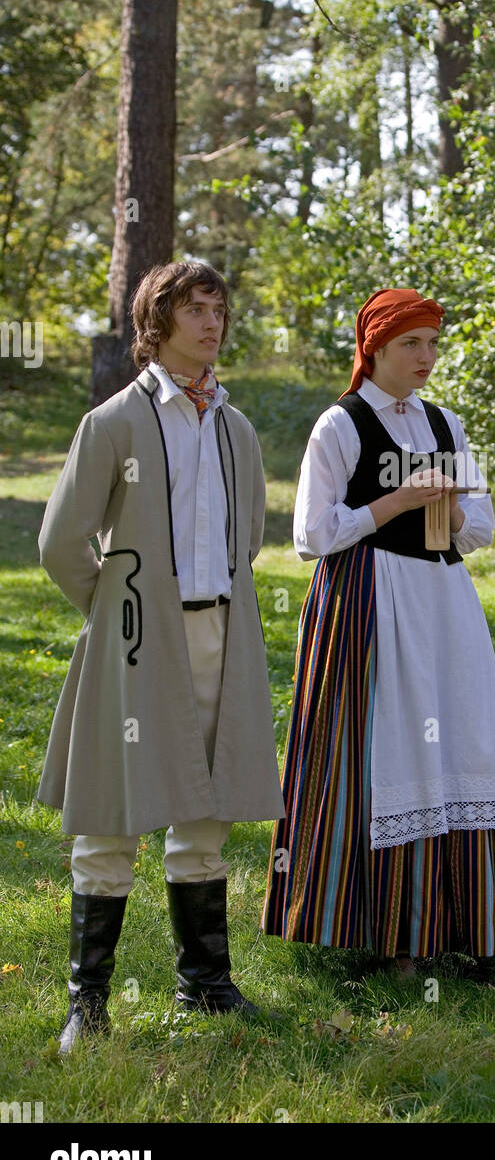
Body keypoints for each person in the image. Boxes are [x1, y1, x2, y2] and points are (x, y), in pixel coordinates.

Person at [262, 288, 495, 971]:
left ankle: (490, 927)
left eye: (431, 343)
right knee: (390, 751)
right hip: (366, 600)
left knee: (466, 741)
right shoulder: (340, 425)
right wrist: (397, 499)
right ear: (375, 349)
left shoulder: (446, 423)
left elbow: (477, 530)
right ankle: (397, 936)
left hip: (442, 600)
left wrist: (447, 508)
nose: (425, 357)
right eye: (409, 345)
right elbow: (311, 534)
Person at [38, 260, 285, 1052]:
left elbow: (245, 542)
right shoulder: (112, 423)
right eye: (194, 309)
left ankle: (205, 986)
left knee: (204, 811)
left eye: (219, 309)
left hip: (221, 632)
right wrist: (118, 616)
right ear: (157, 320)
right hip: (141, 641)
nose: (212, 324)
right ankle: (90, 1004)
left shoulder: (236, 429)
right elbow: (60, 542)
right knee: (111, 818)